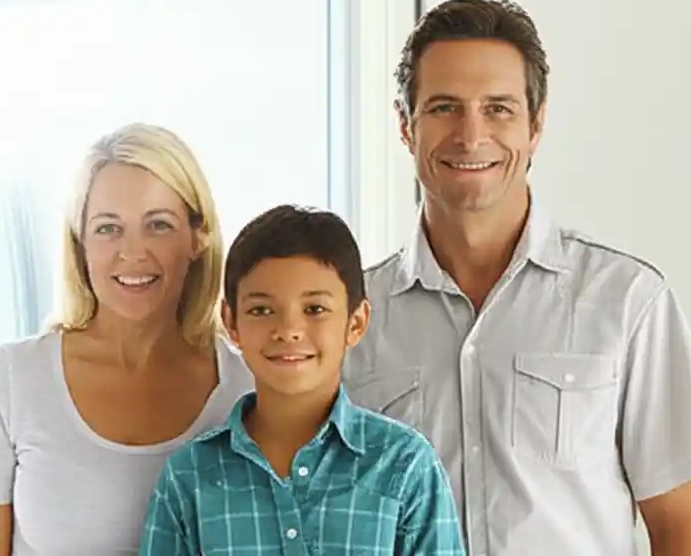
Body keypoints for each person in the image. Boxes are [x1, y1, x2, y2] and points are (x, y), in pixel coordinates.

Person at [342, 0, 691, 555]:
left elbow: (683, 532)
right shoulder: (348, 320)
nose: (471, 134)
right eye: (444, 108)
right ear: (405, 126)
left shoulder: (626, 302)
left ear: (537, 124)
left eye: (499, 108)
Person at [0, 122, 254, 555]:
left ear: (197, 237)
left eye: (159, 225)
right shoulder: (13, 381)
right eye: (109, 228)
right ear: (80, 243)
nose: (133, 252)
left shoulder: (248, 391)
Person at [140, 204, 466, 555]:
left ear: (355, 323)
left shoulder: (404, 467)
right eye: (261, 310)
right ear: (231, 323)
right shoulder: (191, 478)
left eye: (315, 310)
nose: (289, 331)